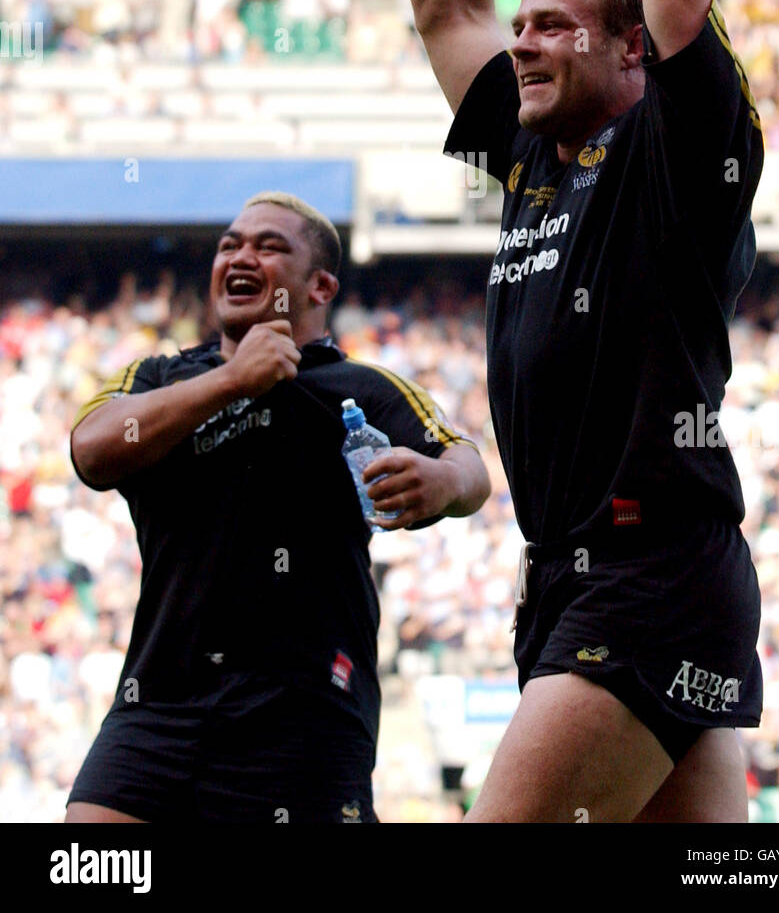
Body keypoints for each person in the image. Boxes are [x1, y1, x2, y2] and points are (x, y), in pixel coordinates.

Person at [403, 0, 764, 823]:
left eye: (554, 27)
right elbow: (447, 2)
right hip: (572, 578)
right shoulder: (530, 153)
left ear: (630, 55)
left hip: (646, 576)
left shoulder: (673, 149)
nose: (521, 43)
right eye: (524, 25)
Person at [65, 191, 489, 824]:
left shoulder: (362, 388)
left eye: (268, 246)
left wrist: (442, 482)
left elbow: (468, 465)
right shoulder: (157, 379)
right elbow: (91, 450)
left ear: (319, 286)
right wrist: (233, 379)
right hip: (158, 702)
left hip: (305, 711)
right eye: (229, 244)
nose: (240, 256)